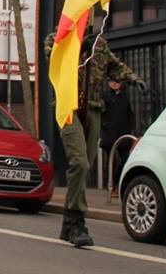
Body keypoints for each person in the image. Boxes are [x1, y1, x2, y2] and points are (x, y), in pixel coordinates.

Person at [44, 29, 144, 247]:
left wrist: (133, 78)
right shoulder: (57, 38)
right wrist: (78, 48)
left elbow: (115, 66)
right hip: (68, 107)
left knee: (84, 166)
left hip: (94, 109)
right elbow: (53, 61)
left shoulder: (99, 44)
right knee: (78, 162)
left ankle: (68, 223)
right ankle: (77, 222)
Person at [99, 78, 134, 195]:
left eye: (117, 81)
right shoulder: (104, 96)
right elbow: (101, 113)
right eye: (112, 81)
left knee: (125, 159)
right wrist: (105, 125)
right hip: (110, 134)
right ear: (108, 83)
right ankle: (111, 186)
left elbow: (130, 113)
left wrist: (130, 128)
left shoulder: (125, 96)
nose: (115, 83)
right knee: (112, 160)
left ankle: (119, 183)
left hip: (123, 133)